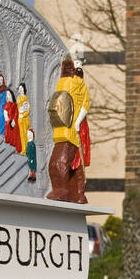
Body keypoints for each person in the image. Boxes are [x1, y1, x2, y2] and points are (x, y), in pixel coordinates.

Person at [47, 55, 90, 204]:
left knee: (59, 161)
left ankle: (63, 190)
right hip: (64, 127)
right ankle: (78, 193)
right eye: (75, 63)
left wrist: (78, 122)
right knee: (73, 162)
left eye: (80, 64)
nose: (78, 67)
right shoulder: (66, 82)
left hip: (72, 129)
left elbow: (85, 105)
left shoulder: (80, 85)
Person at [3, 85, 21, 153]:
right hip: (9, 124)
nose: (8, 96)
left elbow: (16, 113)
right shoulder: (6, 105)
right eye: (7, 95)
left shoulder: (15, 105)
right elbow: (5, 115)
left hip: (15, 123)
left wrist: (14, 121)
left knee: (15, 136)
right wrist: (9, 121)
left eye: (9, 94)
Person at [16, 83, 31, 154]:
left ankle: (25, 149)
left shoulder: (25, 98)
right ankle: (22, 148)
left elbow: (27, 109)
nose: (20, 90)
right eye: (19, 89)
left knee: (24, 134)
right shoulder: (18, 98)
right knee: (20, 134)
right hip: (19, 118)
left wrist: (23, 115)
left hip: (24, 119)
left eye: (21, 88)